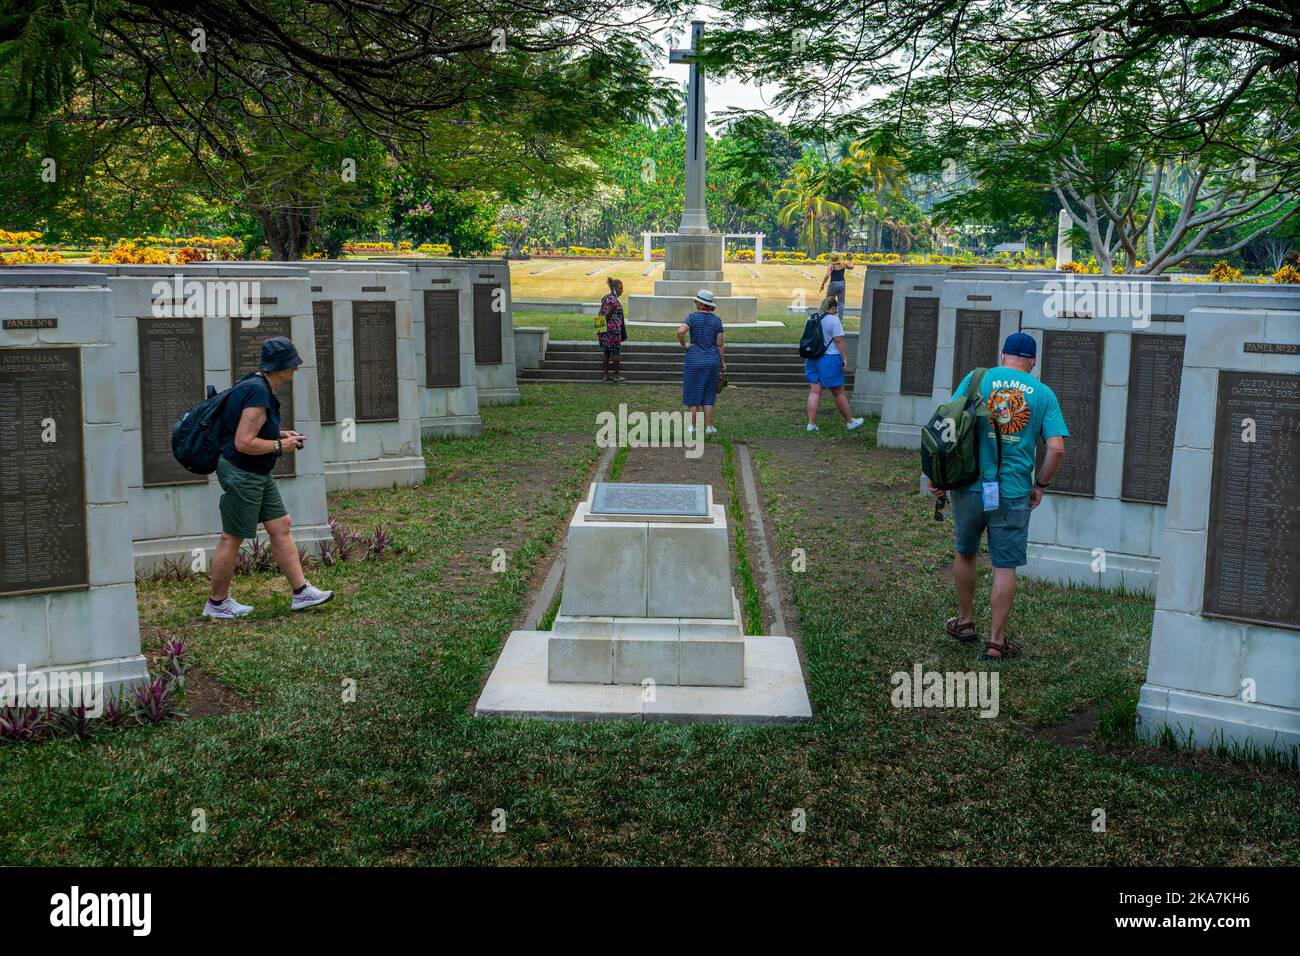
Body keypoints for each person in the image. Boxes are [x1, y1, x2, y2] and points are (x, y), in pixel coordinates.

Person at [929, 332, 1067, 660]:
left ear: (1003, 355)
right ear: (1033, 363)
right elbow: (1057, 448)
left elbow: (948, 427)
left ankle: (964, 622)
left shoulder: (978, 379)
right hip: (1014, 491)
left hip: (970, 485)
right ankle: (995, 642)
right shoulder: (1044, 394)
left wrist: (940, 477)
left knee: (966, 552)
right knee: (1004, 565)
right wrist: (1041, 484)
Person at [204, 336, 334, 619]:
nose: (295, 370)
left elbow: (251, 430)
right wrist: (279, 446)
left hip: (257, 472)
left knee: (281, 525)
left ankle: (301, 592)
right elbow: (243, 442)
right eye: (292, 365)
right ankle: (217, 603)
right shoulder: (258, 393)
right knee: (232, 537)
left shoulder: (255, 384)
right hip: (243, 472)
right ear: (280, 367)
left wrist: (279, 434)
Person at [804, 294, 865, 432]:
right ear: (832, 307)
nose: (836, 311)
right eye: (836, 309)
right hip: (830, 359)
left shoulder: (811, 318)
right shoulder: (833, 319)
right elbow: (838, 340)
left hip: (812, 359)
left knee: (814, 392)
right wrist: (844, 358)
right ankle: (850, 421)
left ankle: (811, 423)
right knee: (838, 393)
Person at [677, 289, 725, 436]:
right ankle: (709, 427)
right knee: (709, 392)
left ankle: (692, 426)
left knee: (693, 391)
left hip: (694, 359)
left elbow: (680, 332)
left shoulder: (691, 317)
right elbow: (720, 344)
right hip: (712, 360)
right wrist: (722, 362)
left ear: (700, 303)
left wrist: (684, 346)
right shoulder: (717, 320)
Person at [596, 277, 626, 382]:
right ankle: (616, 376)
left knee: (606, 352)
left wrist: (599, 329)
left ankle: (605, 375)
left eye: (622, 288)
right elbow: (607, 314)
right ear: (614, 288)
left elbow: (600, 313)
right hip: (613, 331)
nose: (622, 290)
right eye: (620, 288)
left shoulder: (605, 298)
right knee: (616, 353)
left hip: (604, 330)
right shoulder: (613, 301)